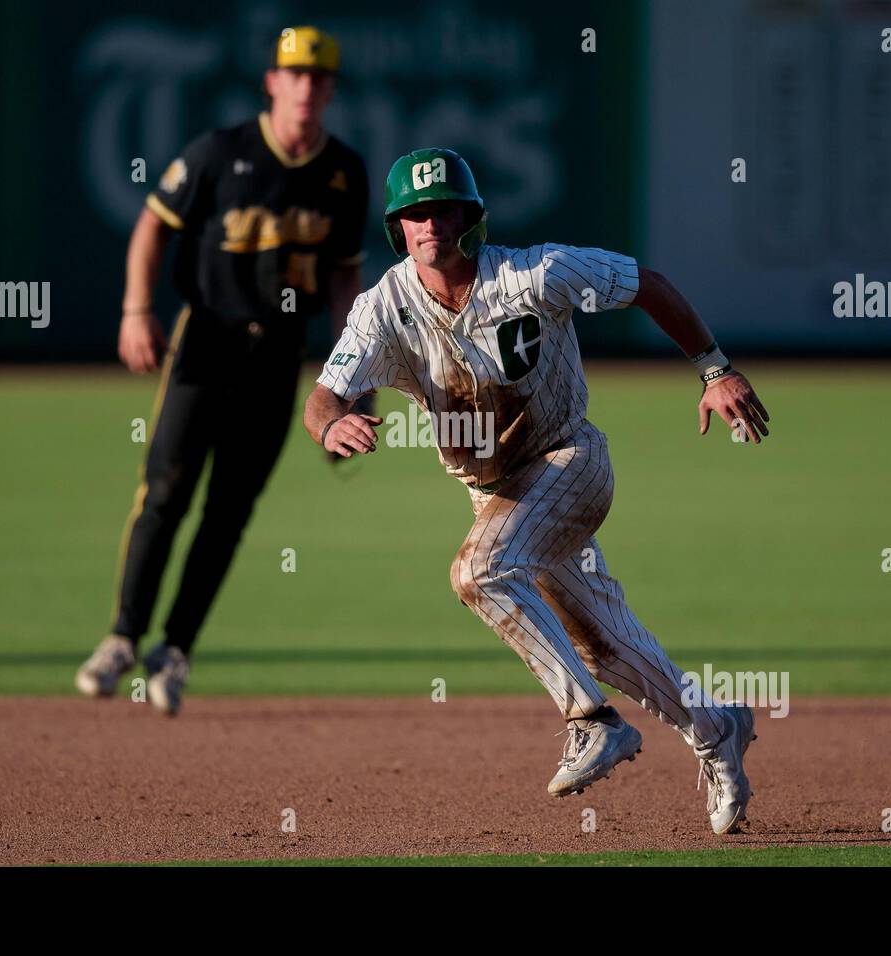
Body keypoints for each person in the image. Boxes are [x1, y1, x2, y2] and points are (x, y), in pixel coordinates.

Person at [303, 148, 770, 833]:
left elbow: (647, 283)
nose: (430, 224)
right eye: (415, 214)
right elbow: (322, 397)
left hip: (569, 460)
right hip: (496, 494)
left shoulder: (534, 273)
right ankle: (717, 726)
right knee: (606, 647)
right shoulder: (384, 307)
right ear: (397, 227)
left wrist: (714, 369)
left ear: (470, 217)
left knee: (479, 570)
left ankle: (591, 723)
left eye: (443, 210)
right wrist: (330, 426)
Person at [76, 26, 368, 715]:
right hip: (204, 345)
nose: (306, 87)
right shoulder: (221, 152)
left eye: (319, 77)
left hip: (277, 361)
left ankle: (174, 650)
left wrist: (353, 371)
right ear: (271, 81)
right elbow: (154, 225)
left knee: (229, 512)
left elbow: (343, 280)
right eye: (294, 74)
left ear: (329, 90)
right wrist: (135, 309)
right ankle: (122, 636)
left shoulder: (344, 172)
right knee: (165, 493)